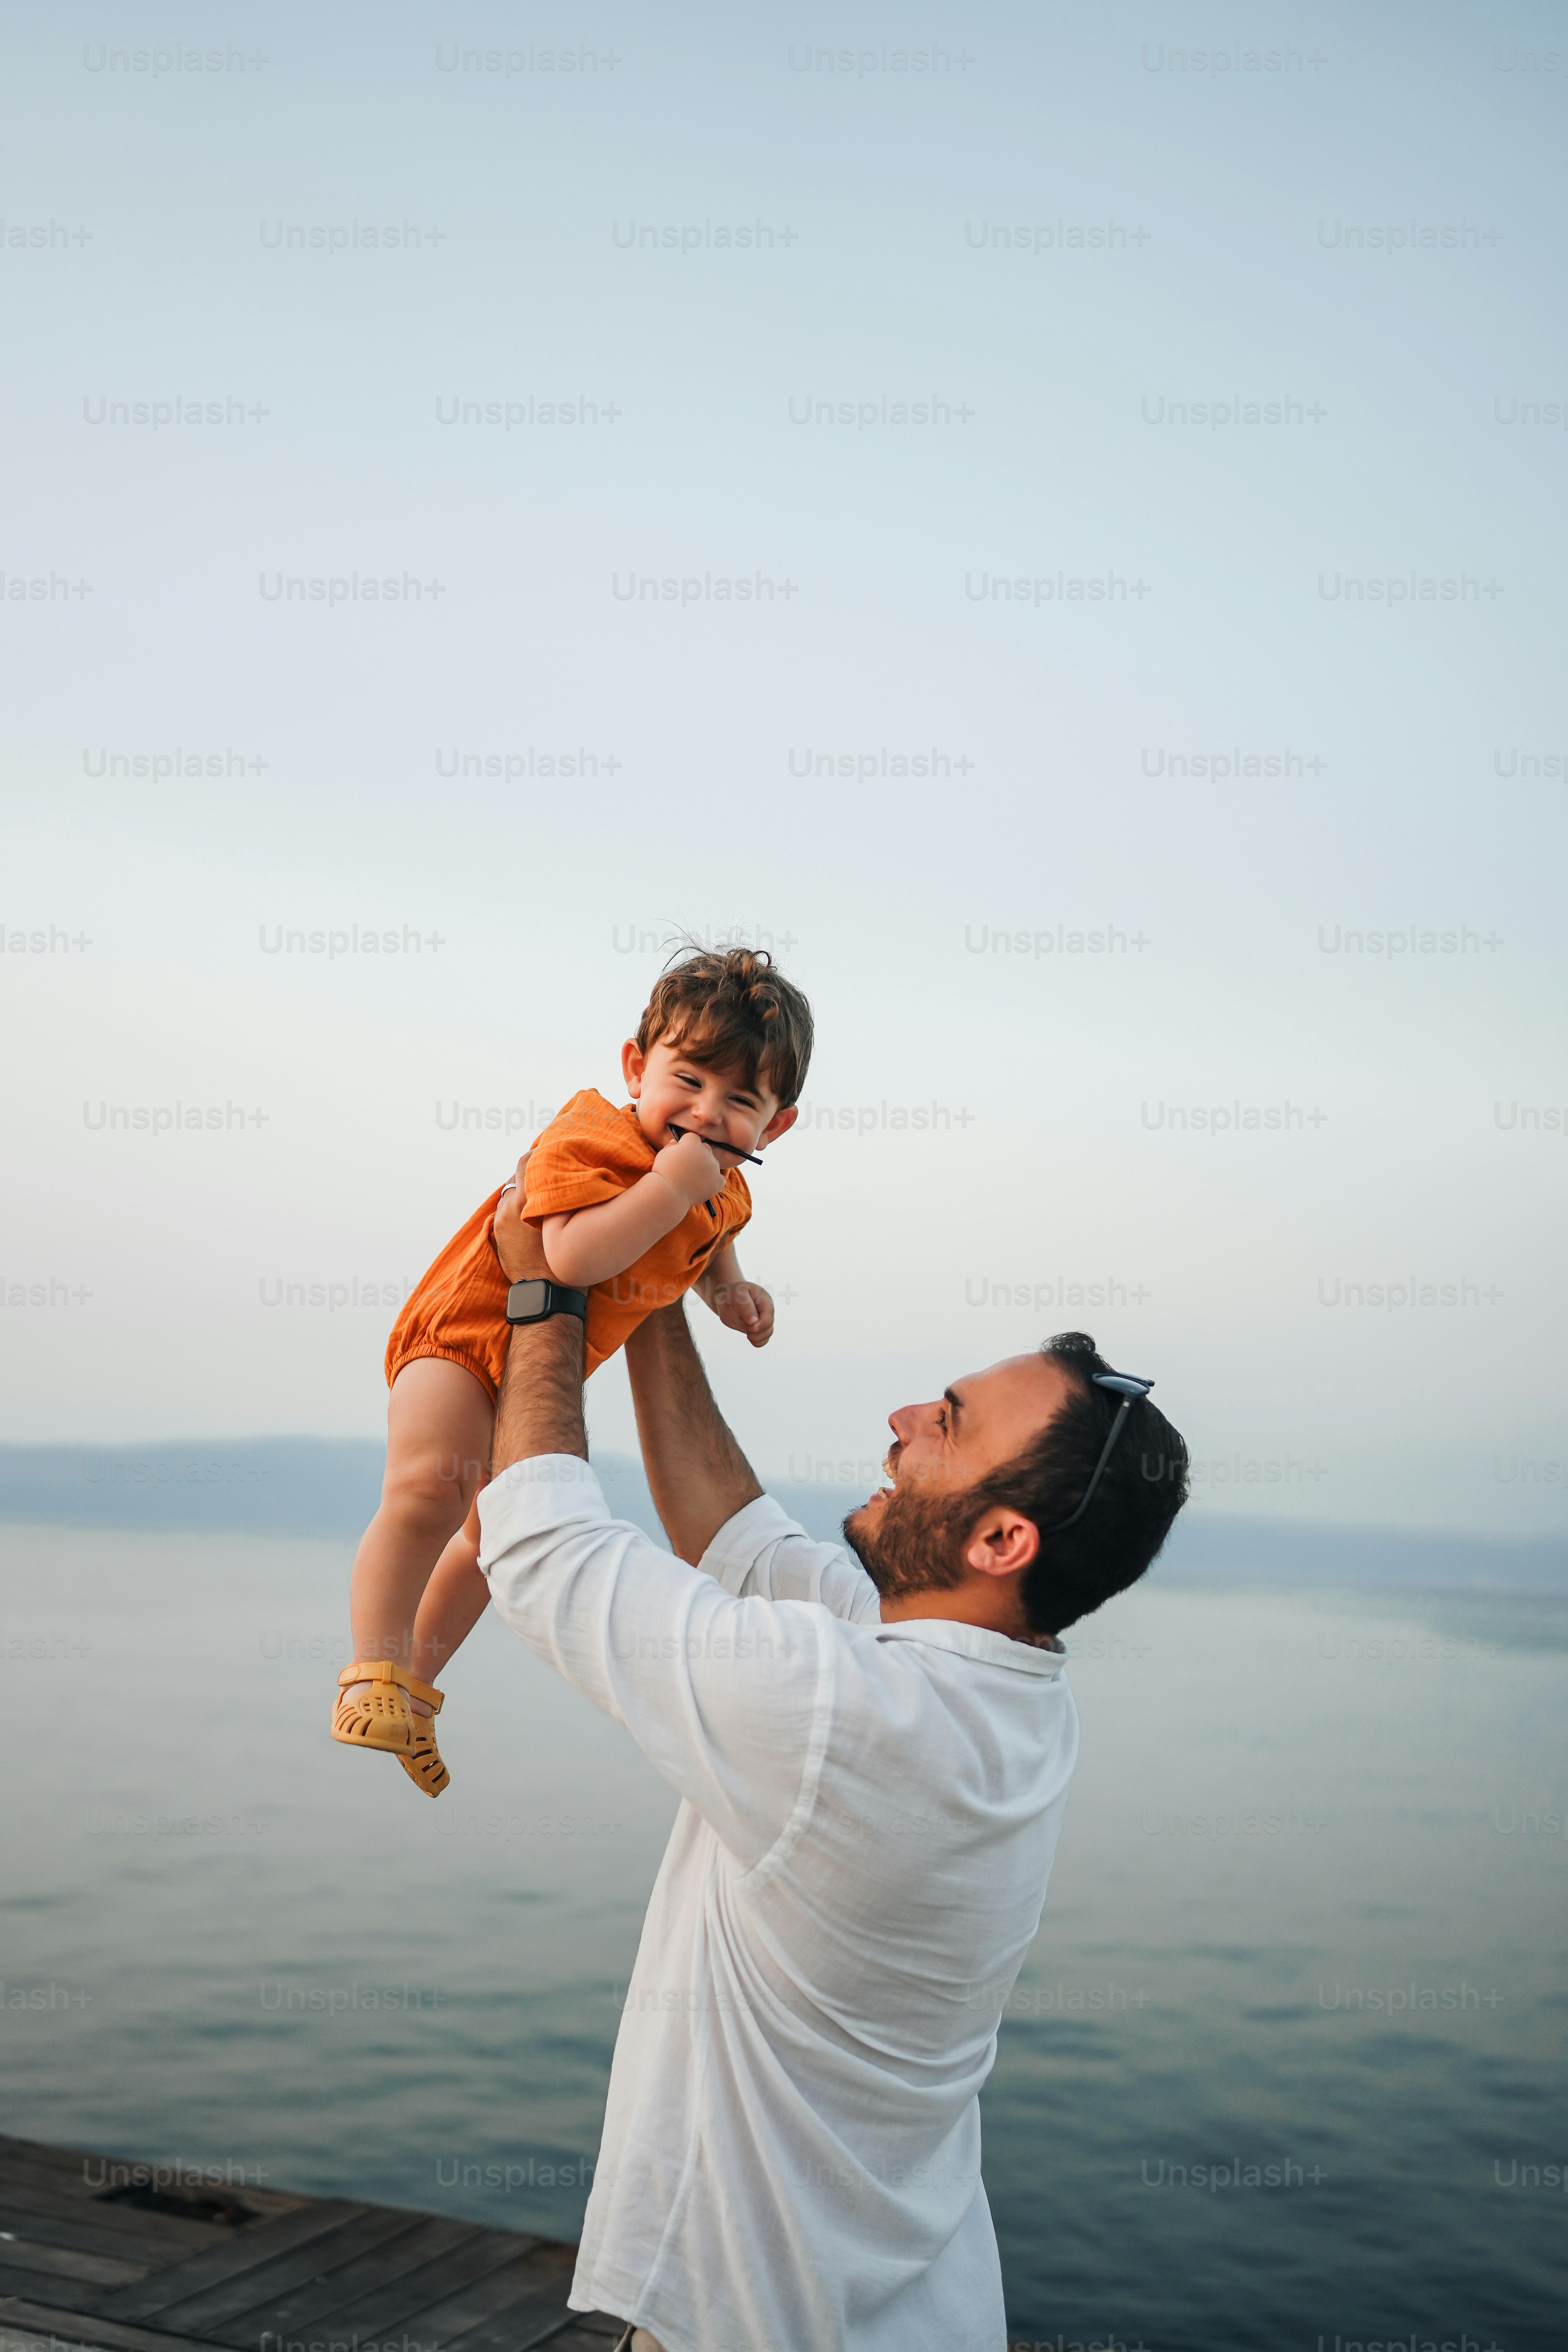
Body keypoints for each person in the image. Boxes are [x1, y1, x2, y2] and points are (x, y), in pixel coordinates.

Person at [477, 1177, 1190, 2352]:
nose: (905, 1415)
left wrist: (547, 1292)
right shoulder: (999, 1689)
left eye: (947, 1422)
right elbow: (738, 1539)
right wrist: (649, 1276)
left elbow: (547, 1551)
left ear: (1001, 1538)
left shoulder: (850, 1712)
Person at [331, 946, 812, 1796]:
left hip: (524, 1375)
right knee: (426, 1493)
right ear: (636, 1067)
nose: (705, 1115)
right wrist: (666, 1186)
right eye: (688, 1081)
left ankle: (416, 1692)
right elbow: (567, 1257)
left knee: (494, 1539)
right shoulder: (590, 1134)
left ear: (776, 1126)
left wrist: (732, 1293)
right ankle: (368, 1671)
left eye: (740, 1102)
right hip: (460, 1334)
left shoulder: (723, 1187)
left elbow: (711, 1236)